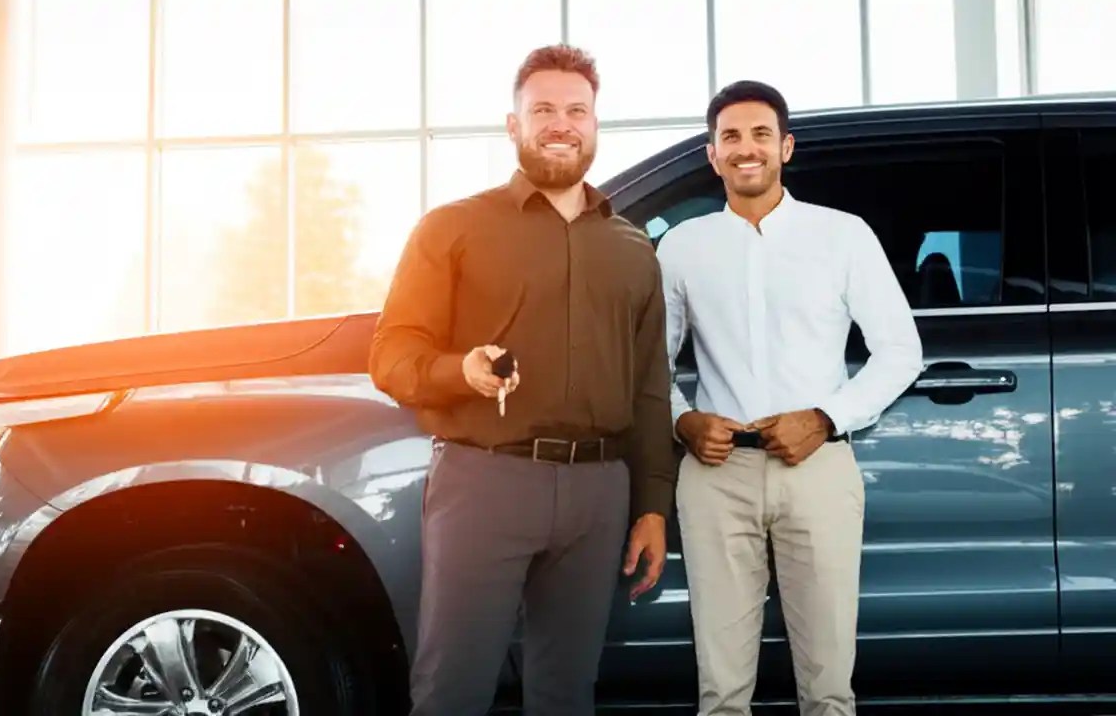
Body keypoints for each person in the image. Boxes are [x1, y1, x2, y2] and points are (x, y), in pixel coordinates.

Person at [368, 44, 677, 716]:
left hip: (599, 495)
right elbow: (391, 354)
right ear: (514, 126)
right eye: (542, 110)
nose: (560, 123)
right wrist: (461, 371)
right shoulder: (451, 228)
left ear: (596, 126)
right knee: (452, 689)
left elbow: (652, 388)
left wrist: (653, 505)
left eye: (576, 110)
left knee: (567, 695)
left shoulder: (632, 250)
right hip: (485, 483)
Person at [658, 80, 923, 715]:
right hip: (717, 474)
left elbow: (899, 351)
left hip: (819, 467)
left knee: (829, 686)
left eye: (760, 134)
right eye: (730, 137)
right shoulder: (681, 247)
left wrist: (827, 417)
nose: (746, 148)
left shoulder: (843, 235)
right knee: (720, 692)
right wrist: (682, 420)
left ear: (786, 147)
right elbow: (648, 366)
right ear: (712, 155)